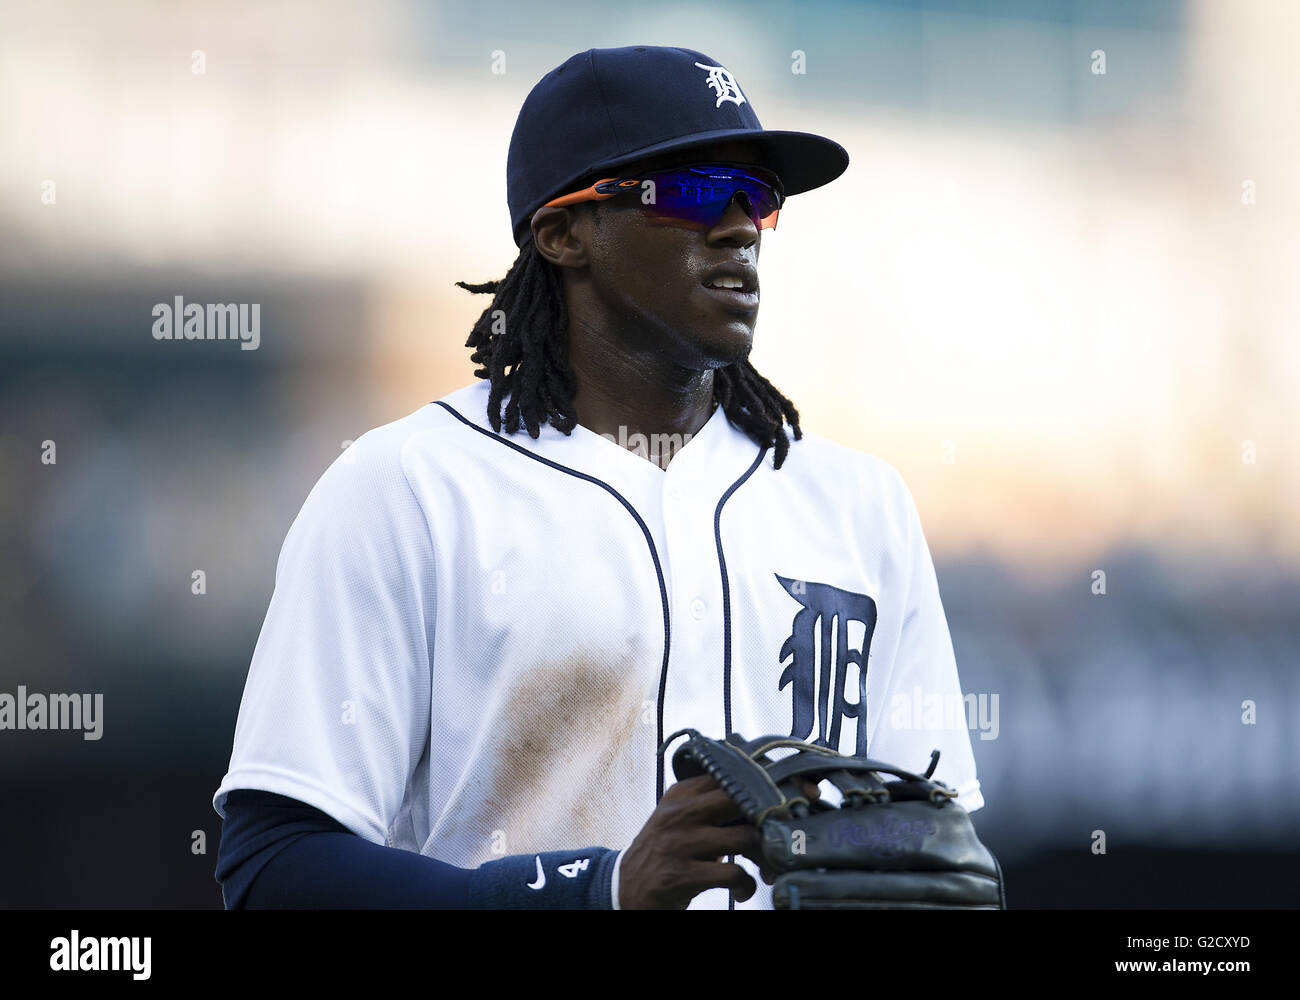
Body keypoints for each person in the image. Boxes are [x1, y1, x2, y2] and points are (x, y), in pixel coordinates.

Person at [212, 44, 984, 910]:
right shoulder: (405, 490)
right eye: (692, 190)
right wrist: (596, 892)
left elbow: (939, 852)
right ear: (563, 232)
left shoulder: (860, 505)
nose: (735, 227)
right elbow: (274, 868)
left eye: (756, 198)